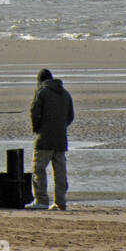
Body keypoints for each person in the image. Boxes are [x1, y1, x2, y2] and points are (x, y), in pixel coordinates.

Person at [26, 69, 75, 211]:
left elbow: (34, 113)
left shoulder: (41, 92)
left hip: (44, 139)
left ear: (40, 81)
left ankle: (41, 200)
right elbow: (70, 116)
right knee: (60, 172)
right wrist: (61, 127)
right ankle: (60, 202)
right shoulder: (65, 93)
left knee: (38, 169)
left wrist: (37, 129)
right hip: (61, 139)